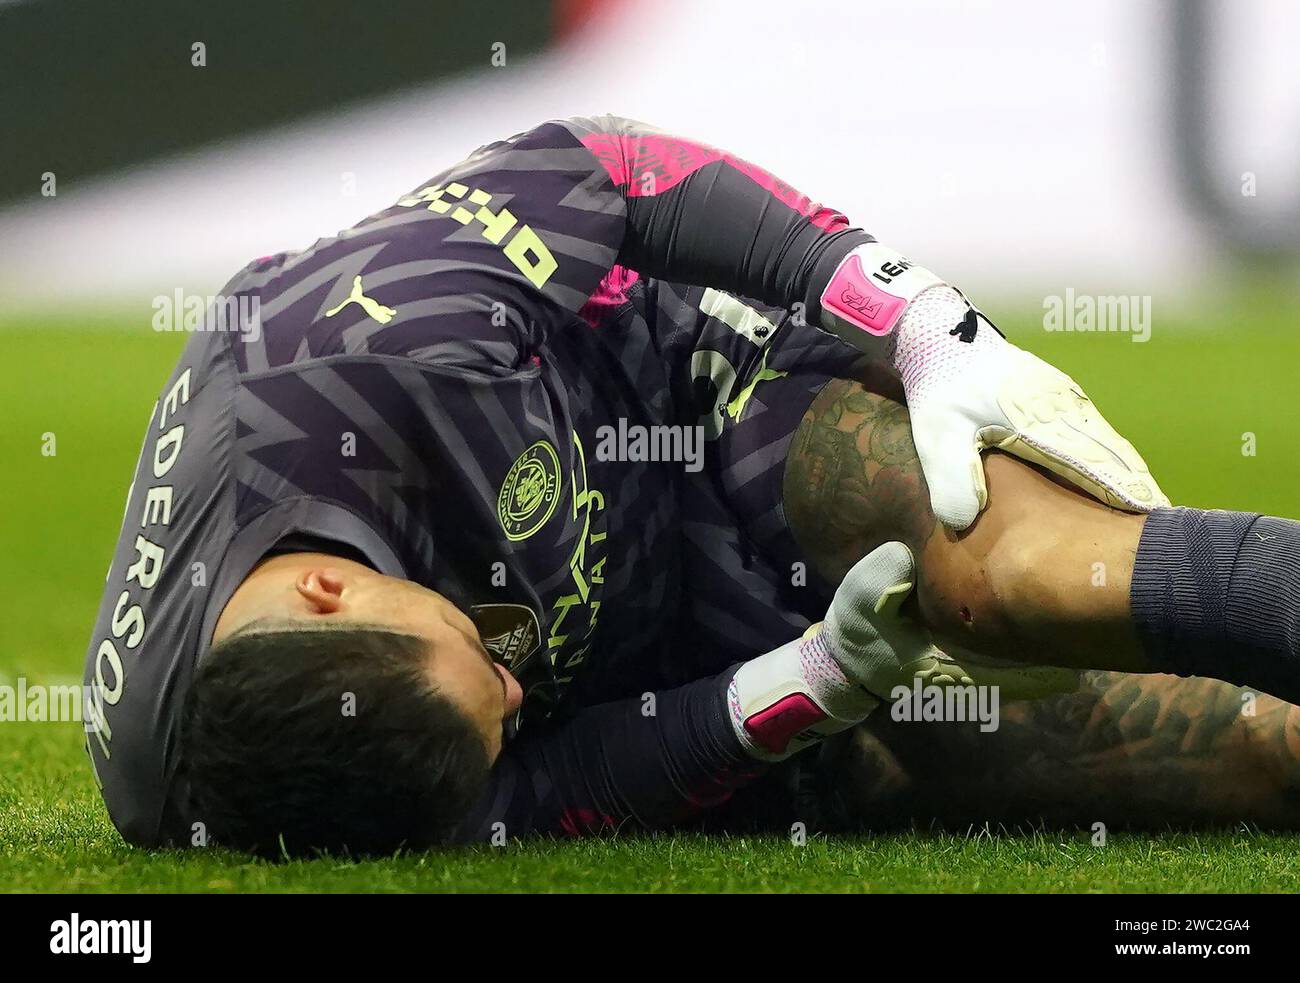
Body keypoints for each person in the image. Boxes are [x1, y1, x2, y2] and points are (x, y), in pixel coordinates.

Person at [83, 116, 1300, 855]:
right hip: (684, 677)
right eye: (501, 709)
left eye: (473, 656)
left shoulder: (377, 348)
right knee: (1258, 759)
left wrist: (920, 323)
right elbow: (531, 789)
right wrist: (800, 687)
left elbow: (610, 167)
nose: (514, 682)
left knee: (1005, 581)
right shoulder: (253, 785)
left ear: (326, 590)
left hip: (705, 401)